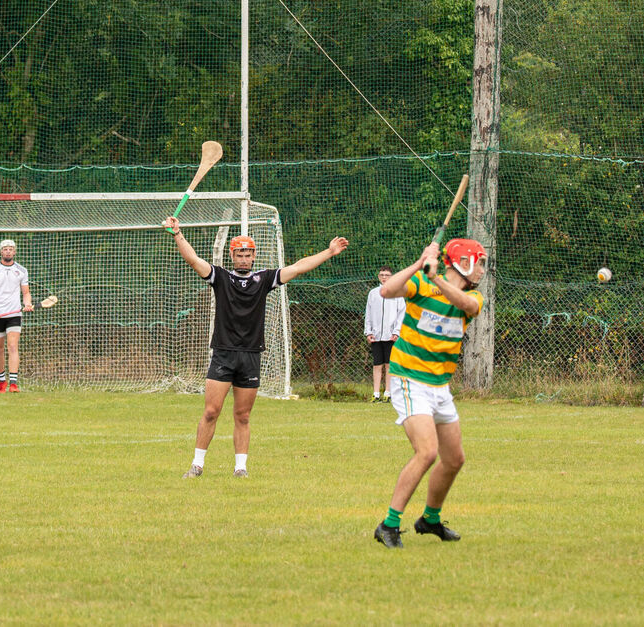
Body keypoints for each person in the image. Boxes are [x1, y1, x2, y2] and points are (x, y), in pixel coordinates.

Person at [165, 216, 348, 478]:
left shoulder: (264, 279)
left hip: (250, 355)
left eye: (247, 254)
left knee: (243, 415)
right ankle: (197, 465)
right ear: (232, 256)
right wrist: (178, 235)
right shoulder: (221, 277)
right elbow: (194, 260)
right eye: (239, 254)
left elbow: (297, 268)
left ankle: (241, 469)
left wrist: (329, 252)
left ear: (253, 256)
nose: (243, 258)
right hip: (223, 354)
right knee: (210, 412)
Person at [373, 237, 486, 548]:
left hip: (439, 386)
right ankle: (389, 524)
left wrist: (436, 276)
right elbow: (387, 290)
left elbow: (468, 306)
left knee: (454, 459)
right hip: (409, 379)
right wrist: (418, 264)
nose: (482, 270)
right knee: (427, 452)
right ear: (463, 262)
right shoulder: (421, 283)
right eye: (479, 262)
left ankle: (430, 519)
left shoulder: (473, 296)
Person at [0, 238, 33, 392]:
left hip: (14, 315)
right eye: (5, 249)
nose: (8, 251)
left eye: (10, 249)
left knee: (13, 345)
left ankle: (13, 383)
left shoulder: (22, 271)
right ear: (1, 251)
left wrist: (27, 303)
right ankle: (2, 381)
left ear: (14, 251)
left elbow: (26, 293)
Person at [364, 265, 403, 402]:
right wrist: (368, 332)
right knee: (377, 364)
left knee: (389, 365)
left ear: (391, 277)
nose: (384, 277)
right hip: (376, 336)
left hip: (391, 336)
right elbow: (368, 314)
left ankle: (388, 393)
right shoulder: (373, 293)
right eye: (382, 275)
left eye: (387, 275)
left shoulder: (397, 293)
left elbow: (401, 314)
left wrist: (397, 331)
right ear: (378, 277)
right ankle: (376, 394)